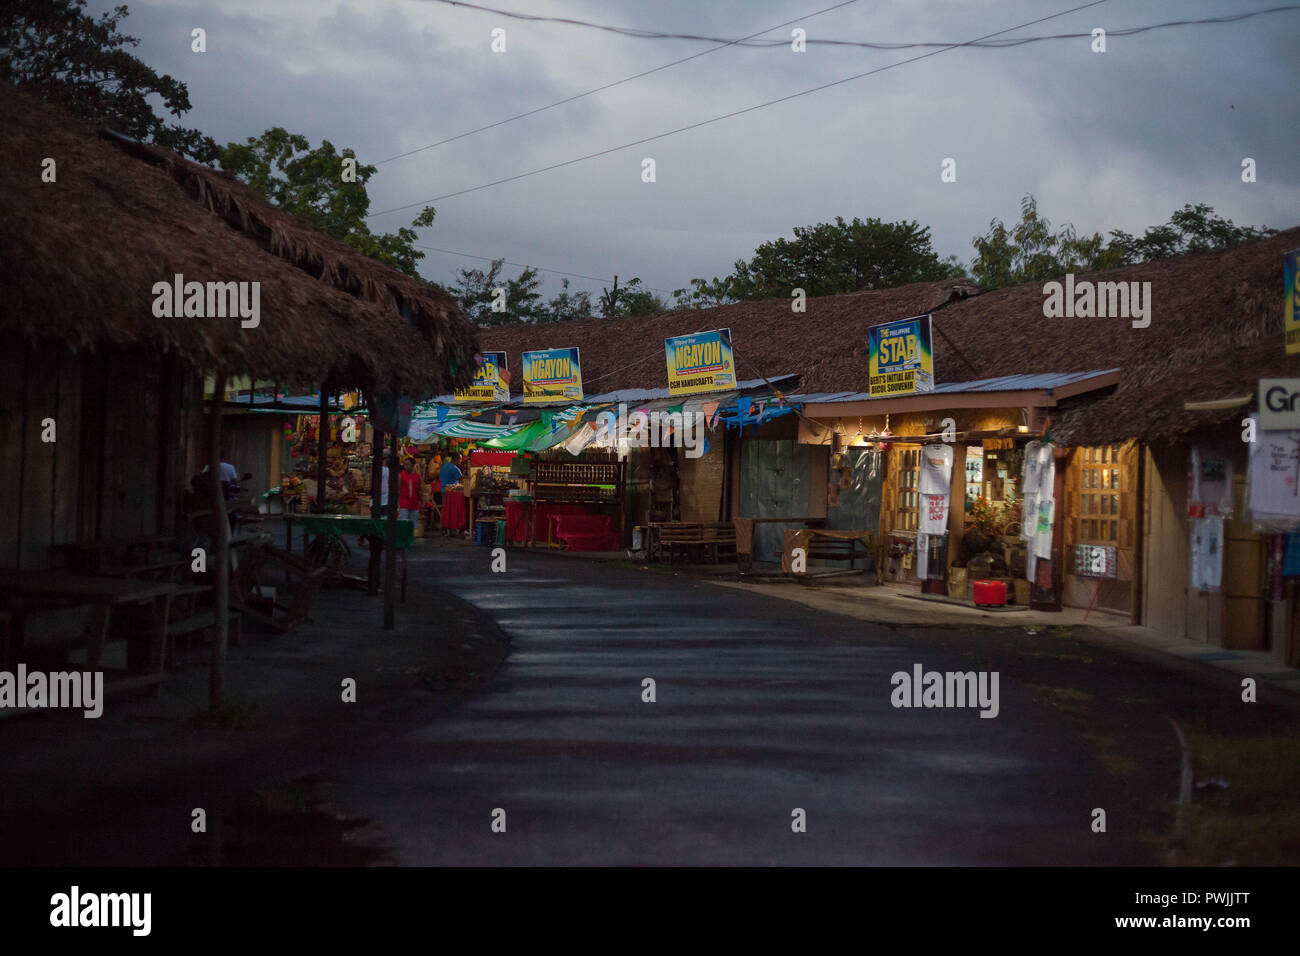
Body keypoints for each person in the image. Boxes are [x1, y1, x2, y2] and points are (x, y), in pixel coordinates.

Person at [398, 457, 422, 523]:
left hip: (415, 504)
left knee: (413, 526)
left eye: (408, 464)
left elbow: (419, 490)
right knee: (403, 524)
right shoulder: (401, 475)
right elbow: (398, 489)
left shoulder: (417, 476)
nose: (406, 466)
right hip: (404, 504)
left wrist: (421, 501)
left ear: (413, 465)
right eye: (405, 464)